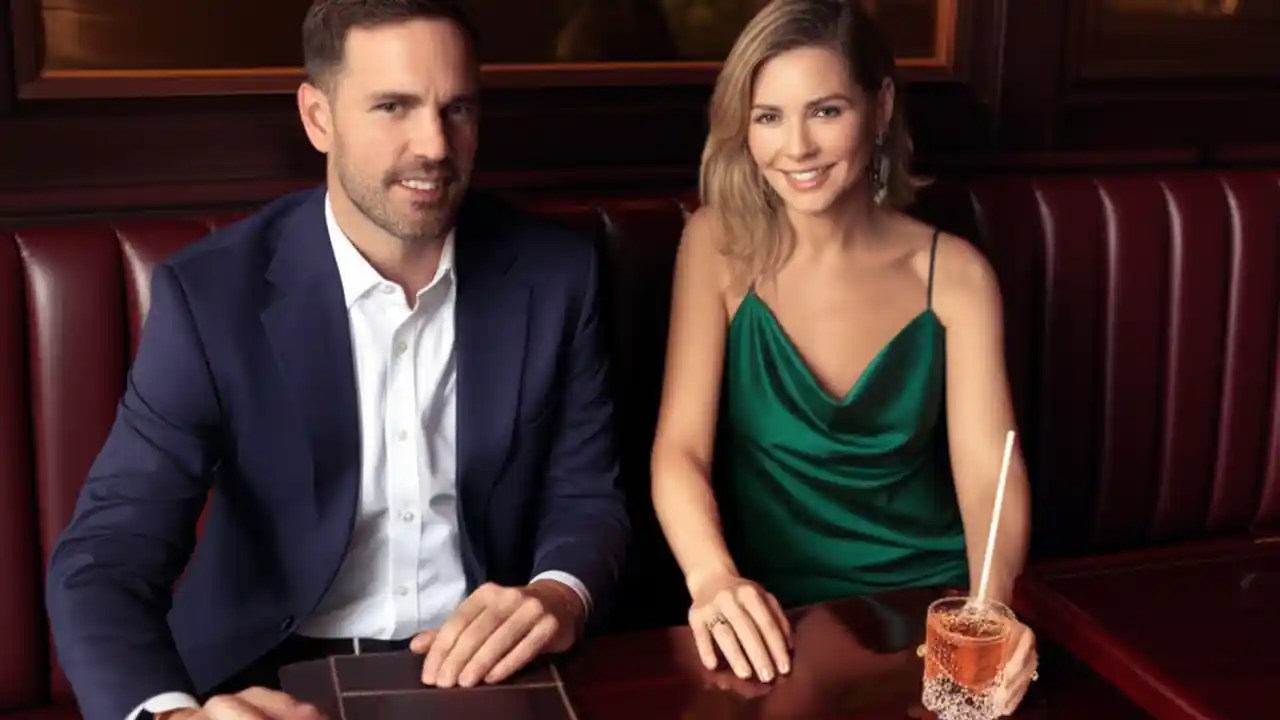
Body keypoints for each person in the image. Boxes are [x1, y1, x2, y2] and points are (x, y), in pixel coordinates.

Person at [44, 2, 629, 719]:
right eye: (393, 106)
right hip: (265, 675)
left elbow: (587, 494)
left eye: (458, 109)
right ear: (319, 118)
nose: (435, 146)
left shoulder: (556, 273)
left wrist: (558, 594)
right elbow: (105, 559)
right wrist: (171, 715)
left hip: (485, 670)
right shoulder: (212, 297)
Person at [649, 0, 1037, 714]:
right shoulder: (714, 246)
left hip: (928, 611)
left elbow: (990, 471)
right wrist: (712, 579)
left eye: (825, 111)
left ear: (880, 105)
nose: (795, 147)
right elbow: (679, 450)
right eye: (768, 117)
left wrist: (995, 610)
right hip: (766, 625)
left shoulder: (957, 276)